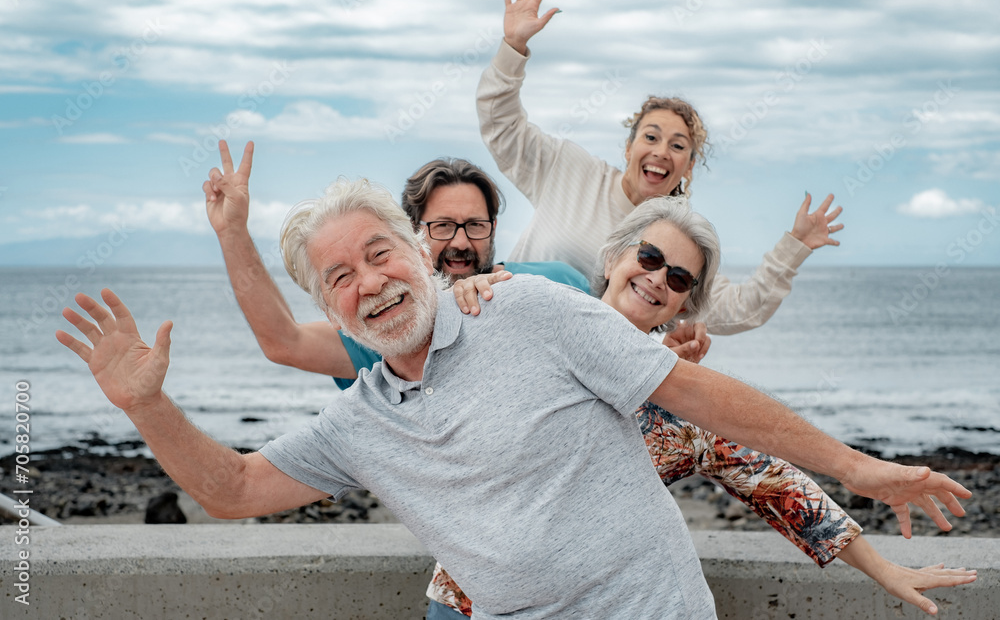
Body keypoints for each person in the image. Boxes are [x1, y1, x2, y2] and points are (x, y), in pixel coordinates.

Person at [58, 178, 972, 619]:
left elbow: (711, 405)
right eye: (339, 275)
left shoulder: (530, 307)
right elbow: (233, 488)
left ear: (417, 251)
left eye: (380, 253)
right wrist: (147, 406)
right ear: (325, 302)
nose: (369, 282)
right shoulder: (359, 417)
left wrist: (865, 469)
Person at [430, 198, 976, 618]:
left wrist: (883, 569)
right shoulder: (532, 316)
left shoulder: (682, 409)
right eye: (648, 256)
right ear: (616, 256)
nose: (655, 278)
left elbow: (779, 487)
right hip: (462, 596)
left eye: (678, 278)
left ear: (685, 302)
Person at [477, 0, 844, 333]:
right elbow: (500, 125)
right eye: (651, 137)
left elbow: (739, 310)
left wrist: (794, 246)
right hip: (506, 329)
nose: (662, 152)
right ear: (629, 146)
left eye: (678, 145)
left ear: (689, 166)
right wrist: (513, 47)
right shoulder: (568, 168)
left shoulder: (679, 241)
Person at [203, 141, 588, 386]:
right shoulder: (391, 331)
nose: (460, 242)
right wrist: (232, 233)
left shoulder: (553, 281)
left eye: (474, 225)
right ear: (414, 236)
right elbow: (285, 342)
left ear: (493, 227)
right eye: (442, 227)